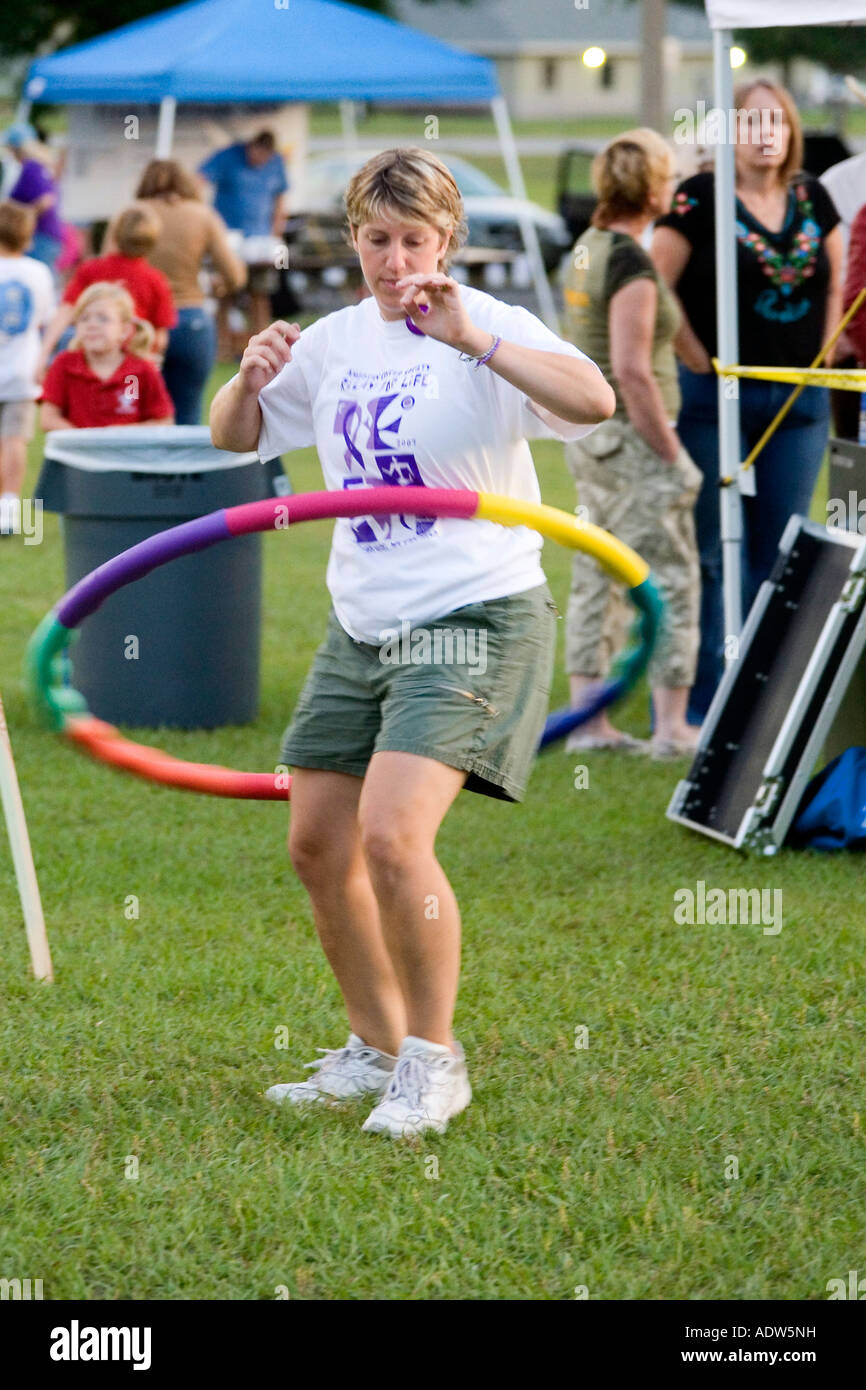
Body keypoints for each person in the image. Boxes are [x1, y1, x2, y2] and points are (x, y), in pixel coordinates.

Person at [210, 147, 614, 1138]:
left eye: (414, 241)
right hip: (363, 618)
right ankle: (375, 1046)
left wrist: (473, 338)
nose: (395, 262)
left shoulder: (486, 324)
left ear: (447, 242)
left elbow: (594, 402)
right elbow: (232, 438)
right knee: (315, 844)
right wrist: (248, 379)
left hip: (474, 609)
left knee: (392, 835)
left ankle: (434, 1062)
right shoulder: (337, 340)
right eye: (377, 240)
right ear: (352, 238)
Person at [652, 78, 843, 723]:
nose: (765, 135)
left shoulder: (812, 197)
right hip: (714, 395)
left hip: (798, 403)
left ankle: (765, 696)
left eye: (777, 124)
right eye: (752, 122)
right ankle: (703, 697)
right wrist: (689, 349)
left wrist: (820, 359)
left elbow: (838, 280)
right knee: (710, 546)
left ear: (791, 132)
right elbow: (655, 279)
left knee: (779, 546)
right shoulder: (699, 196)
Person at [561, 130, 703, 759]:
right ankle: (672, 726)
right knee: (671, 574)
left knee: (597, 571)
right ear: (651, 190)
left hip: (591, 440)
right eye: (669, 179)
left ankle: (588, 721)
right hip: (633, 440)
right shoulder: (632, 263)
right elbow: (633, 369)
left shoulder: (587, 248)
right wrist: (672, 454)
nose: (674, 189)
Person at [105, 160, 246, 425]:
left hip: (137, 325)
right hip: (191, 320)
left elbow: (108, 268)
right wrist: (218, 286)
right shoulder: (203, 216)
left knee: (131, 414)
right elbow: (236, 276)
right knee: (188, 414)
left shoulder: (129, 214)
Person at [38, 205, 176, 373]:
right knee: (130, 398)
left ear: (114, 236)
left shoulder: (91, 270)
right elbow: (160, 337)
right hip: (131, 367)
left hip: (91, 363)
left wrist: (44, 353)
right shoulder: (156, 279)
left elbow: (66, 311)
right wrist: (150, 361)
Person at [41, 282, 174, 431]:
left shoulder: (141, 371)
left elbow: (163, 420)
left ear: (124, 330)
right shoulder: (65, 364)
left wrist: (121, 437)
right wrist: (86, 440)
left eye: (103, 319)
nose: (91, 325)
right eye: (84, 318)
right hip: (76, 453)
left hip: (125, 452)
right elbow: (48, 419)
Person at [199, 130, 290, 341]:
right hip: (228, 237)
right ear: (251, 146)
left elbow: (280, 199)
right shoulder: (228, 157)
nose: (259, 161)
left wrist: (276, 231)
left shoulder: (276, 163)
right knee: (224, 291)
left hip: (260, 239)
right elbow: (199, 179)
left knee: (260, 292)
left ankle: (261, 339)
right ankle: (223, 343)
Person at [0, 200, 54, 535]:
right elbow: (43, 319)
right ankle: (9, 507)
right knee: (15, 440)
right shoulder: (39, 272)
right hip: (23, 369)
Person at [0, 122, 65, 272]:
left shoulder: (30, 168)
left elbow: (46, 201)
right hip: (48, 235)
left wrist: (22, 220)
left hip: (38, 237)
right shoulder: (39, 166)